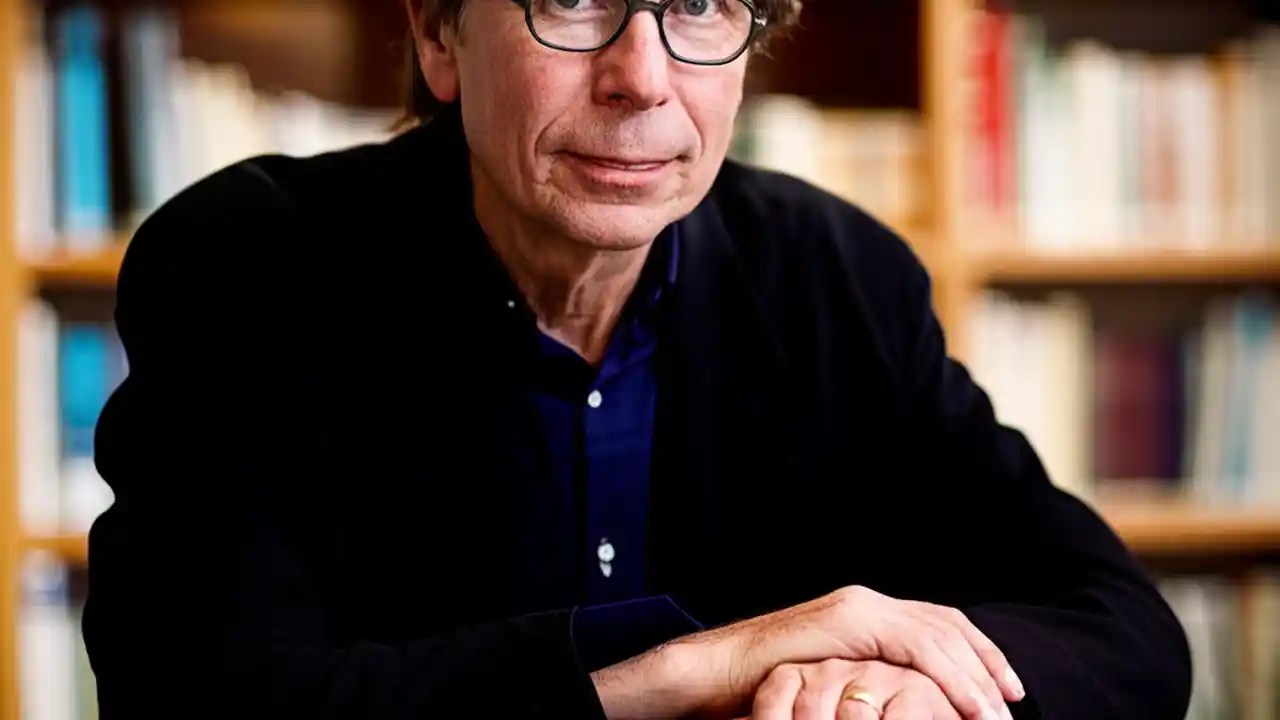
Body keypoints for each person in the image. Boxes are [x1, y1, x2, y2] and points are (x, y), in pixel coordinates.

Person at [83, 0, 1192, 718]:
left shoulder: (837, 275)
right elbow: (197, 694)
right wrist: (694, 667)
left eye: (700, 8)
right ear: (436, 35)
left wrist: (892, 681)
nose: (641, 78)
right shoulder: (246, 265)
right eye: (571, 1)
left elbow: (1122, 631)